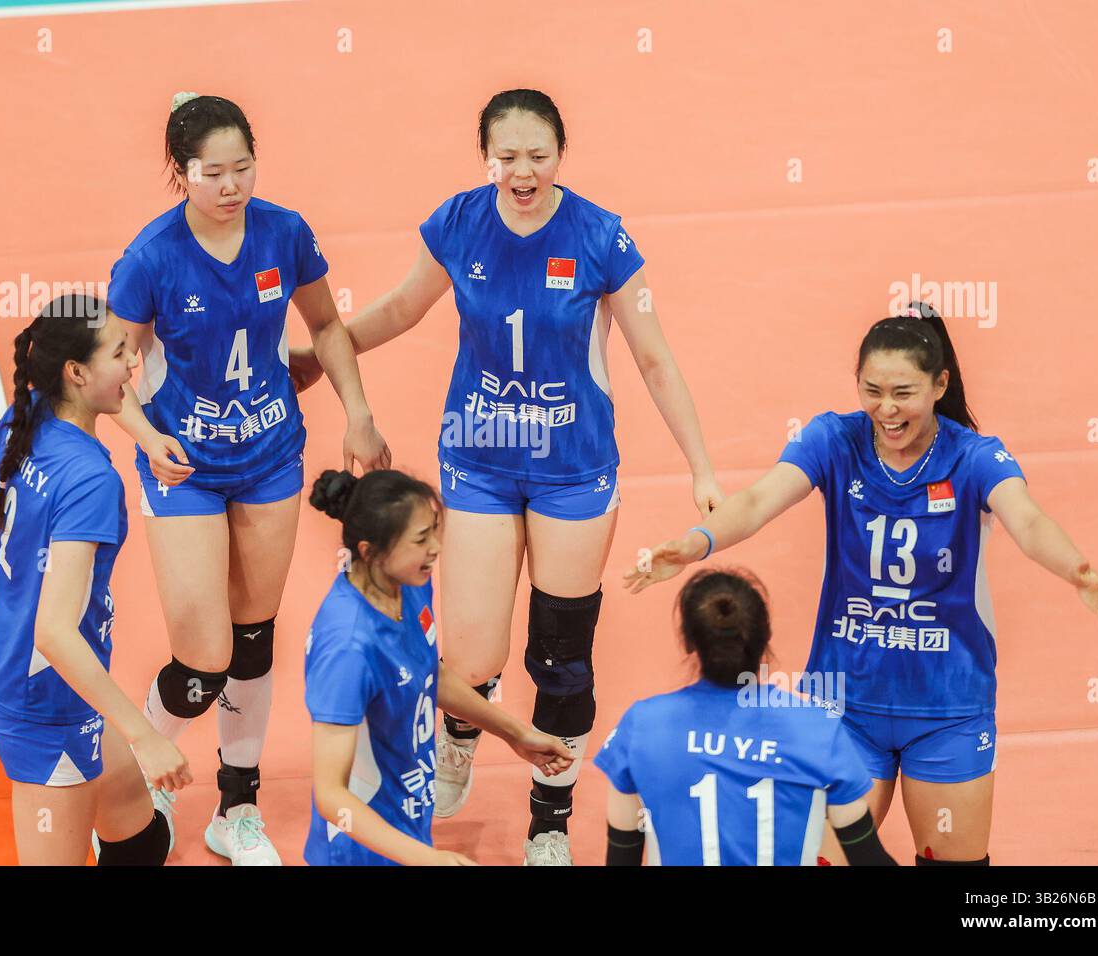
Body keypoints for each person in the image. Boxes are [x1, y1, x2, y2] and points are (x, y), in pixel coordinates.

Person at [290, 88, 723, 865]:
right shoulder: (459, 222)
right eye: (506, 156)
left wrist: (701, 468)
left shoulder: (600, 236)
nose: (522, 172)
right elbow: (398, 310)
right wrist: (324, 352)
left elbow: (653, 357)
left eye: (538, 155)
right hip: (479, 462)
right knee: (474, 656)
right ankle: (459, 738)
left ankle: (550, 819)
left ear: (563, 153)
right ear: (484, 155)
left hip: (574, 470)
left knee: (561, 654)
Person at [624, 302, 1098, 864]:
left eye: (903, 392)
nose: (886, 409)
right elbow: (759, 500)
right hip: (844, 704)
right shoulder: (835, 440)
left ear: (940, 384)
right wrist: (696, 542)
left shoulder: (975, 458)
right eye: (872, 390)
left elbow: (1027, 521)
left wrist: (1074, 568)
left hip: (948, 706)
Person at [105, 92, 391, 865]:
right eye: (213, 173)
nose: (231, 186)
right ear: (181, 173)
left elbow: (327, 325)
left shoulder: (283, 232)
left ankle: (236, 808)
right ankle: (135, 768)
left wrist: (357, 410)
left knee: (253, 641)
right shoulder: (151, 258)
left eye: (243, 168)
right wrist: (145, 434)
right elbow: (112, 370)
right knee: (202, 658)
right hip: (186, 468)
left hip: (269, 456)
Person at [0, 294, 190, 865]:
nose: (133, 364)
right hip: (47, 706)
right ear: (76, 372)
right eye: (120, 353)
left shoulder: (26, 418)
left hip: (47, 682)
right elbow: (54, 631)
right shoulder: (90, 479)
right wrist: (144, 735)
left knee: (141, 837)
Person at [304, 469, 573, 865]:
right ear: (369, 550)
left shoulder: (407, 584)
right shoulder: (347, 648)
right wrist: (428, 860)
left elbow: (427, 672)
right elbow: (331, 796)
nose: (435, 548)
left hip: (409, 826)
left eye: (434, 531)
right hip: (359, 852)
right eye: (420, 539)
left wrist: (514, 733)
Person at [595, 568, 895, 865]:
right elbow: (867, 856)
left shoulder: (643, 725)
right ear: (765, 640)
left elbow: (622, 853)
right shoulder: (816, 729)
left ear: (688, 642)